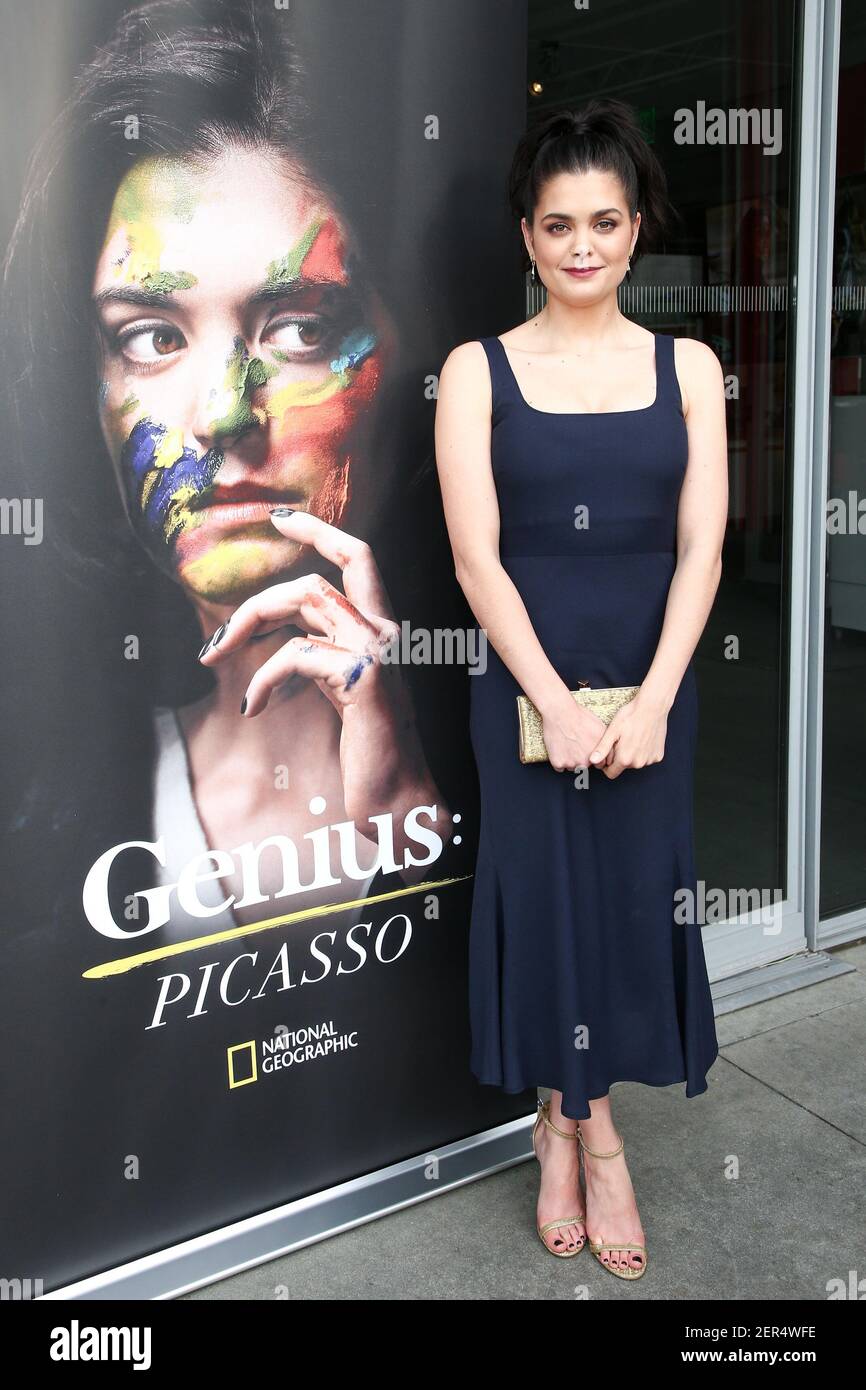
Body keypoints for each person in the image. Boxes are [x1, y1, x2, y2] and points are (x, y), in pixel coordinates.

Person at [1, 0, 462, 942]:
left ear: (414, 345)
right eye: (153, 337)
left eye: (300, 328)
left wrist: (415, 818)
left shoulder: (492, 745)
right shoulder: (44, 806)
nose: (221, 416)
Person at [434, 99, 727, 1279]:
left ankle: (570, 1125)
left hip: (653, 683)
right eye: (558, 225)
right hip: (524, 685)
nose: (582, 247)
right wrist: (550, 697)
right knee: (546, 902)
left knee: (625, 903)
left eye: (604, 222)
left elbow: (701, 546)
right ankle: (585, 1140)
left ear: (637, 225)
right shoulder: (475, 371)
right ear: (525, 235)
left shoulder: (688, 366)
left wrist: (653, 695)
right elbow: (473, 557)